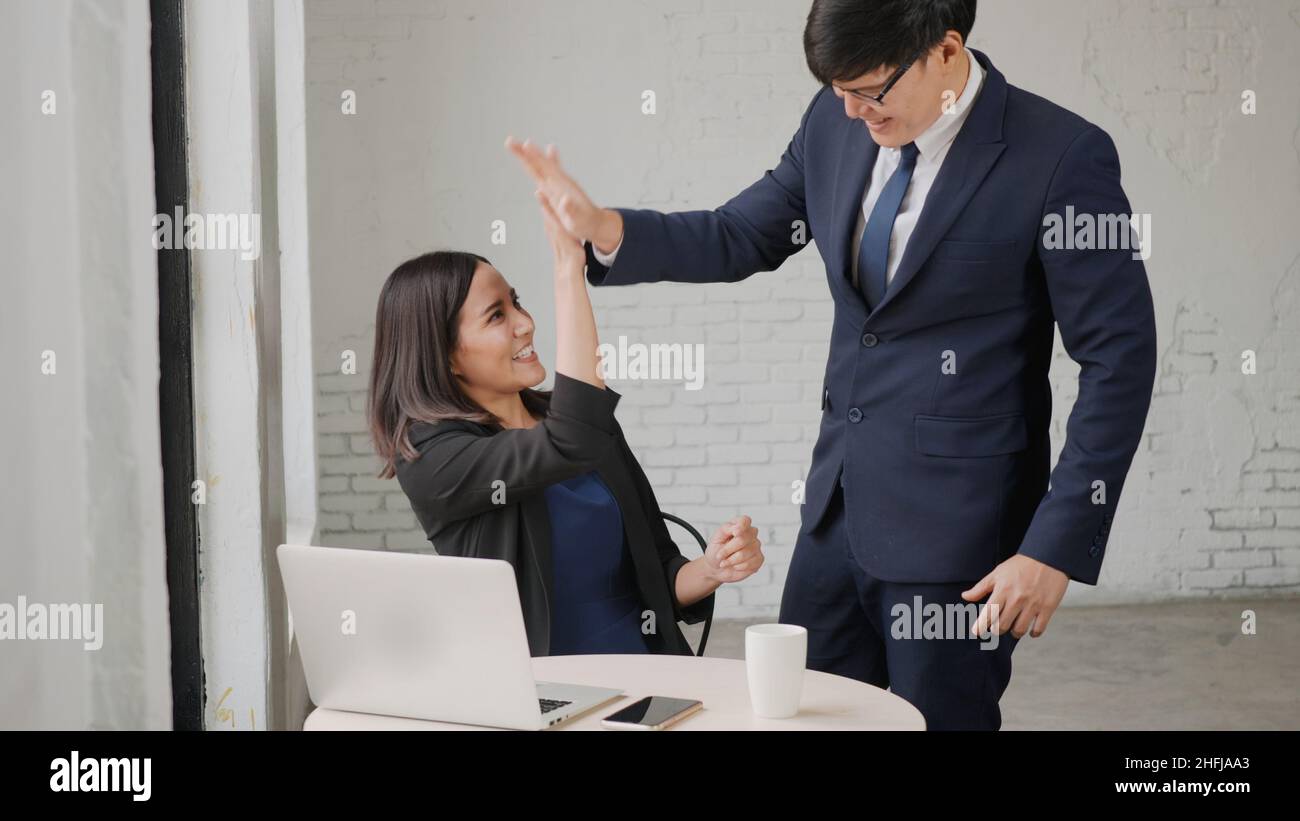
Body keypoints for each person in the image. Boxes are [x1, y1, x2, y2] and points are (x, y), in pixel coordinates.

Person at [508, 0, 1157, 727]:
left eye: (869, 91)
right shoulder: (835, 121)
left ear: (945, 50)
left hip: (962, 537)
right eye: (837, 91)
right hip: (835, 518)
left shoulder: (1060, 156)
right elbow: (739, 233)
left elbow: (1118, 359)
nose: (851, 112)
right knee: (801, 717)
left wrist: (1053, 547)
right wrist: (605, 229)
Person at [367, 184, 764, 657]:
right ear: (445, 355)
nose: (524, 323)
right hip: (541, 701)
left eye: (516, 302)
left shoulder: (588, 425)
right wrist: (568, 273)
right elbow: (570, 437)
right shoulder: (432, 455)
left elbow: (659, 573)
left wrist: (712, 568)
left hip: (651, 680)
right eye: (496, 315)